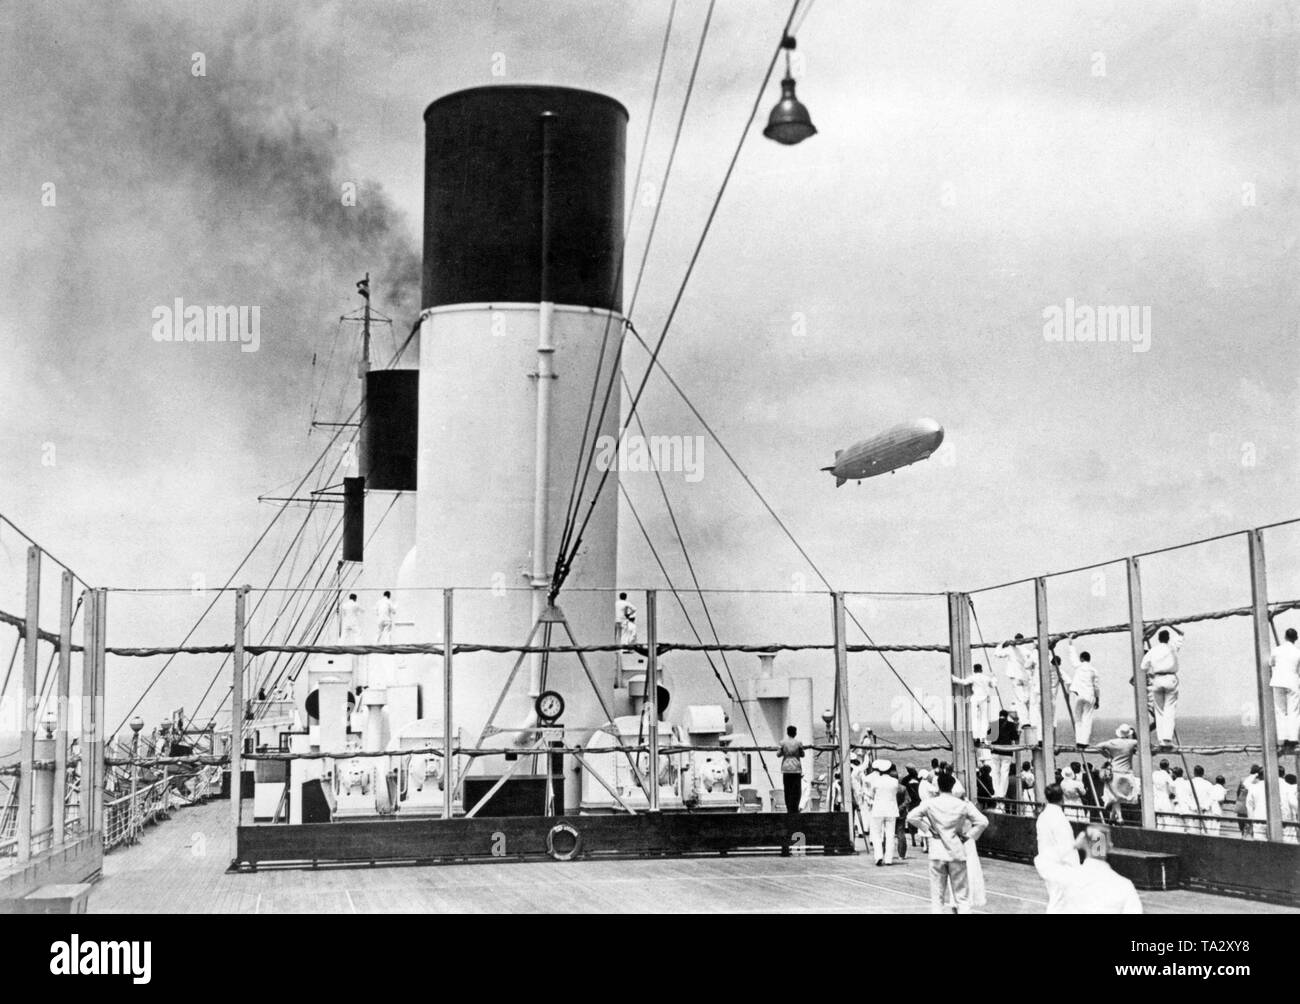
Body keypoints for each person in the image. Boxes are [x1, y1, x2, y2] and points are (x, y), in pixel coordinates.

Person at [906, 771, 989, 914]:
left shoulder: (930, 803)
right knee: (961, 896)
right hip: (957, 850)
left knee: (937, 897)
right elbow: (982, 821)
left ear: (938, 786)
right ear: (952, 786)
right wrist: (968, 836)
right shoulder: (963, 805)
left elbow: (912, 816)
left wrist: (928, 829)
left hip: (937, 850)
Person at [1033, 825, 1143, 913]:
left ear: (1085, 844)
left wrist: (1073, 845)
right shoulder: (1124, 886)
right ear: (1109, 846)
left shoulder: (1069, 877)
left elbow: (1041, 861)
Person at [1036, 783, 1080, 912]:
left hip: (1048, 865)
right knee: (1060, 904)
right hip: (1061, 868)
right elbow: (1067, 848)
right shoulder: (1059, 819)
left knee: (1056, 901)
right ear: (1062, 798)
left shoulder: (1043, 816)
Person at [1141, 627, 1184, 750]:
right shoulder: (1172, 647)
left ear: (1158, 639)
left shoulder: (1153, 650)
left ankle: (1161, 740)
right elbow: (1181, 633)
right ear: (1168, 638)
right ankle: (1167, 739)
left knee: (1159, 711)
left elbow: (1143, 666)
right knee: (1169, 709)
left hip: (1157, 679)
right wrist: (1169, 625)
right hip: (1170, 678)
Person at [1096, 725, 1140, 823]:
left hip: (1115, 773)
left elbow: (1098, 746)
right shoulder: (1132, 742)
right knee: (1121, 797)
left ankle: (1119, 817)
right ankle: (1112, 818)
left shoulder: (1112, 742)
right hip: (1127, 773)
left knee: (1114, 796)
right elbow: (1140, 742)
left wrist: (1108, 755)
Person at [1062, 636, 1100, 747]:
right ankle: (1084, 742)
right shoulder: (1094, 670)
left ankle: (1079, 741)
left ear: (1082, 659)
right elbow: (1096, 687)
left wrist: (1070, 643)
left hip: (1078, 694)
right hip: (1090, 695)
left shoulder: (1078, 666)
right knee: (1087, 718)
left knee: (1078, 718)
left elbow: (1072, 657)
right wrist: (1097, 699)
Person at [865, 759, 902, 866]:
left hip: (878, 810)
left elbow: (871, 795)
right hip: (891, 810)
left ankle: (878, 856)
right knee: (890, 835)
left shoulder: (876, 781)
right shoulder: (894, 782)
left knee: (876, 834)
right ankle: (889, 858)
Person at [1269, 627, 1300, 752]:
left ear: (1285, 637)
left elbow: (1271, 663)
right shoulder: (1298, 652)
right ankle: (1293, 738)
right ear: (1295, 639)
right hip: (1292, 682)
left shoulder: (1276, 650)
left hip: (1278, 681)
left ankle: (1282, 738)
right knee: (1293, 711)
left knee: (1280, 711)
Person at [994, 635, 1036, 726]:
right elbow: (1032, 663)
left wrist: (1001, 645)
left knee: (1019, 700)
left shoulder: (1010, 649)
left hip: (1015, 676)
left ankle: (1025, 722)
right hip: (1026, 677)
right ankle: (1031, 720)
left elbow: (997, 654)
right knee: (1027, 699)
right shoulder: (1026, 651)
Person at [951, 663, 995, 743]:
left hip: (975, 698)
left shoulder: (973, 677)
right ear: (981, 669)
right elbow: (993, 685)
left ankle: (976, 737)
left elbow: (964, 682)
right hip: (984, 698)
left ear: (974, 670)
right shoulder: (986, 678)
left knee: (974, 718)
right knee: (984, 718)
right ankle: (983, 737)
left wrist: (953, 678)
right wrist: (994, 677)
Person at [989, 710, 1020, 808]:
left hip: (995, 751)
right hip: (1006, 752)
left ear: (999, 716)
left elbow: (989, 737)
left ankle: (996, 792)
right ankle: (1002, 794)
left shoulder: (993, 724)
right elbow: (1015, 737)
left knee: (995, 772)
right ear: (1006, 717)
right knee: (1004, 772)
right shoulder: (1011, 725)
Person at [778, 726, 804, 820]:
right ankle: (795, 808)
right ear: (795, 733)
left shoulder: (783, 742)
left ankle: (789, 809)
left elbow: (778, 754)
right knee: (796, 790)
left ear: (787, 732)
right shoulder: (798, 743)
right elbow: (802, 754)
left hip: (786, 768)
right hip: (796, 768)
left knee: (787, 790)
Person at [1191, 765, 1219, 837]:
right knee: (1204, 833)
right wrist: (1204, 807)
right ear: (1203, 773)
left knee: (1193, 832)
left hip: (1192, 811)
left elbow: (1186, 797)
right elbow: (1212, 798)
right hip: (1204, 812)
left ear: (1194, 773)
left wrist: (1193, 807)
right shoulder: (1208, 784)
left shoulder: (1189, 783)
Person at [1235, 765, 1261, 836]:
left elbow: (1238, 793)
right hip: (1252, 809)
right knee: (1252, 831)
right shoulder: (1258, 782)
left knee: (1243, 830)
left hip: (1241, 807)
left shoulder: (1243, 779)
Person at [1151, 759, 1175, 830]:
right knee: (1168, 822)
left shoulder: (1154, 774)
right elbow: (1172, 785)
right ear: (1167, 767)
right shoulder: (1166, 775)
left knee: (1159, 822)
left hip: (1157, 800)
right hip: (1165, 800)